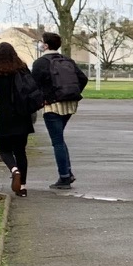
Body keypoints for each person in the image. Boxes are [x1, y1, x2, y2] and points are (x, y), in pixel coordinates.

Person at [0, 42, 43, 197]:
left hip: (5, 115)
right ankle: (22, 187)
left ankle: (14, 170)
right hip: (22, 115)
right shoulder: (22, 69)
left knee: (5, 150)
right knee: (21, 151)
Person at [31, 31, 90, 189]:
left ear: (46, 45)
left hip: (52, 105)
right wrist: (72, 92)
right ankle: (67, 173)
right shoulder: (67, 60)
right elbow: (83, 79)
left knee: (57, 141)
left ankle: (64, 177)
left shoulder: (40, 63)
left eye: (41, 41)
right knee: (59, 139)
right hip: (70, 104)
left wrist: (40, 100)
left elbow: (32, 86)